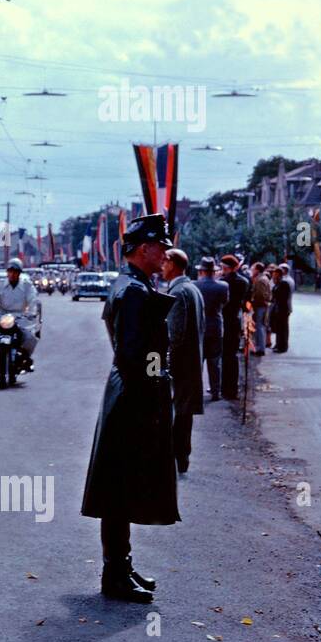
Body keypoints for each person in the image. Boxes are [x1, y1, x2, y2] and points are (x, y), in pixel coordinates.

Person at [81, 214, 179, 604]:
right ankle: (115, 576)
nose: (166, 253)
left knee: (119, 488)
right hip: (133, 399)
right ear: (144, 249)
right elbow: (137, 355)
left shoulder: (130, 284)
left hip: (125, 394)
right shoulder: (135, 291)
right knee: (119, 490)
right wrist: (155, 392)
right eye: (161, 247)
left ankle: (120, 567)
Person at [161, 248, 203, 474]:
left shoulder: (177, 292)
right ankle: (182, 456)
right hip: (192, 360)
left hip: (180, 363)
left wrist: (163, 361)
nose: (162, 266)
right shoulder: (192, 288)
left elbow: (174, 335)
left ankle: (178, 457)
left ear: (174, 264)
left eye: (165, 262)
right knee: (184, 412)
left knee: (179, 412)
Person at [0, 257, 39, 371]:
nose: (12, 274)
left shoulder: (27, 286)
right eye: (10, 271)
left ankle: (26, 358)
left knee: (30, 338)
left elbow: (33, 299)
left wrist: (32, 311)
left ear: (19, 273)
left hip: (20, 317)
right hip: (2, 316)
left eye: (15, 272)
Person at [194, 256, 229, 402]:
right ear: (214, 271)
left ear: (201, 271)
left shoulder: (194, 285)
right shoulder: (223, 286)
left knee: (198, 362)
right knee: (215, 362)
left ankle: (196, 392)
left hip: (199, 328)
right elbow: (224, 303)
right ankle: (215, 391)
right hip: (215, 327)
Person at [219, 254, 249, 400]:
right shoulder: (243, 282)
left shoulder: (223, 282)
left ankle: (224, 387)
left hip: (225, 320)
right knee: (232, 355)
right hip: (235, 320)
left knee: (224, 355)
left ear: (227, 268)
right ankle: (233, 388)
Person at [249, 261, 272, 357]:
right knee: (260, 327)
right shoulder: (262, 278)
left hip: (260, 306)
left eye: (253, 269)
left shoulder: (260, 280)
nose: (252, 270)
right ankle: (259, 347)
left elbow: (260, 295)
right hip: (261, 306)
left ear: (257, 269)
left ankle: (260, 348)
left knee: (259, 327)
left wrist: (253, 302)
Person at [270, 264, 293, 353]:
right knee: (278, 328)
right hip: (277, 308)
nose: (274, 277)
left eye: (276, 275)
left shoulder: (284, 284)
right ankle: (278, 344)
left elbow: (283, 297)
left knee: (283, 328)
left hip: (283, 309)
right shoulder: (277, 284)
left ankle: (283, 346)